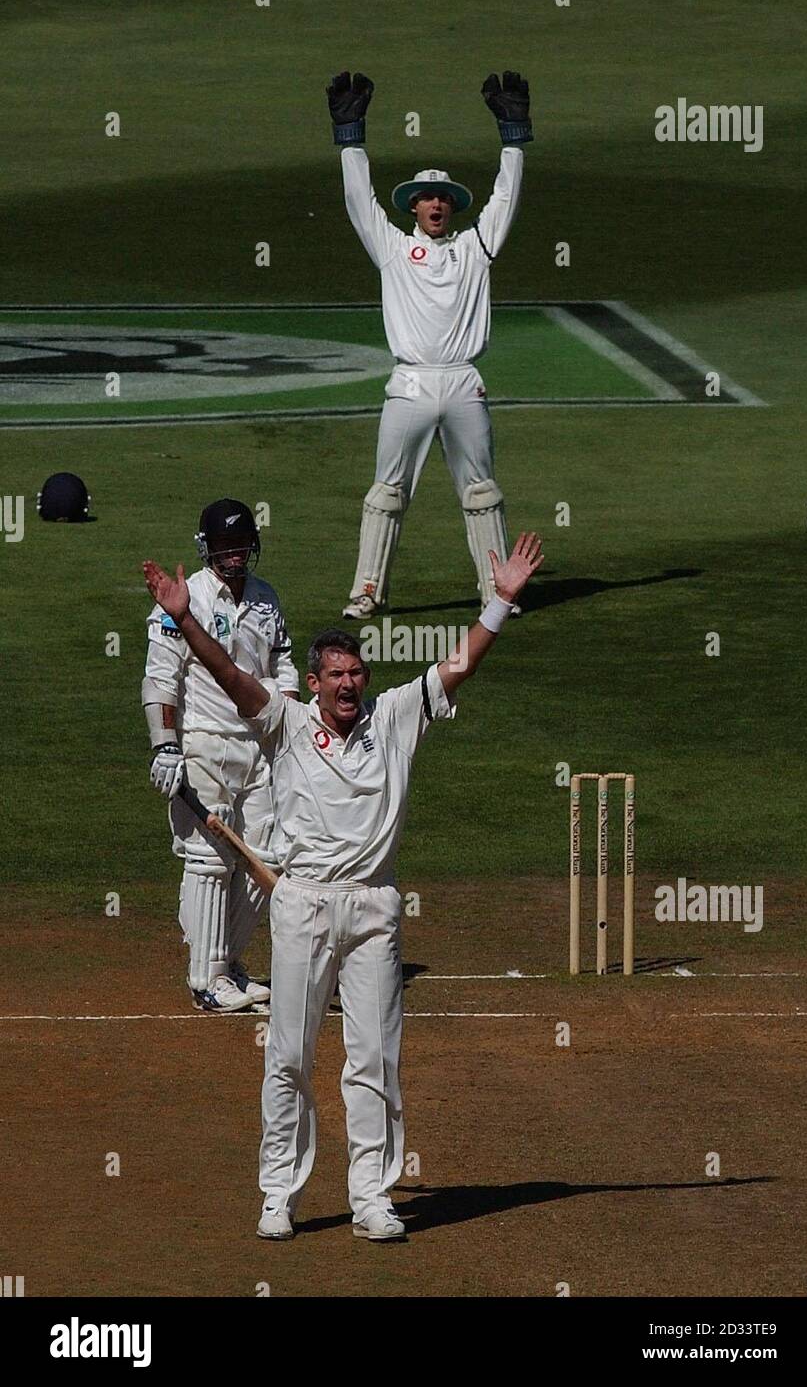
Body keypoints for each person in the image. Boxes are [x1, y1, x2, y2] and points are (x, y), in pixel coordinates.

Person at [143, 531, 544, 1240]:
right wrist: (184, 620)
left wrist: (501, 602)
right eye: (336, 675)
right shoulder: (285, 724)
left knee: (375, 1060)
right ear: (318, 682)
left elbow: (459, 665)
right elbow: (235, 683)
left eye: (357, 673)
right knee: (289, 1056)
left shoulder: (395, 717)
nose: (349, 684)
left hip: (375, 907)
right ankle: (279, 1195)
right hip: (301, 905)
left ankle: (371, 1198)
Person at [327, 68, 533, 619]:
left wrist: (513, 137)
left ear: (453, 207)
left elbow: (507, 198)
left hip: (464, 381)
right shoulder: (392, 249)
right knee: (387, 493)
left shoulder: (476, 247)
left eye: (443, 198)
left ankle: (498, 594)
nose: (436, 205)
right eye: (426, 198)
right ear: (412, 207)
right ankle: (367, 591)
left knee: (482, 493)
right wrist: (351, 134)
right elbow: (357, 200)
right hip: (411, 380)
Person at [142, 498, 299, 1013]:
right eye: (224, 546)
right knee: (210, 861)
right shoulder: (185, 600)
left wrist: (290, 728)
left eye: (241, 545)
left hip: (260, 748)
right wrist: (165, 748)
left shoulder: (267, 599)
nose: (234, 555)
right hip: (204, 744)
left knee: (265, 856)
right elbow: (160, 679)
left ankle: (227, 964)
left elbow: (284, 669)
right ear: (207, 547)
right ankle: (205, 979)